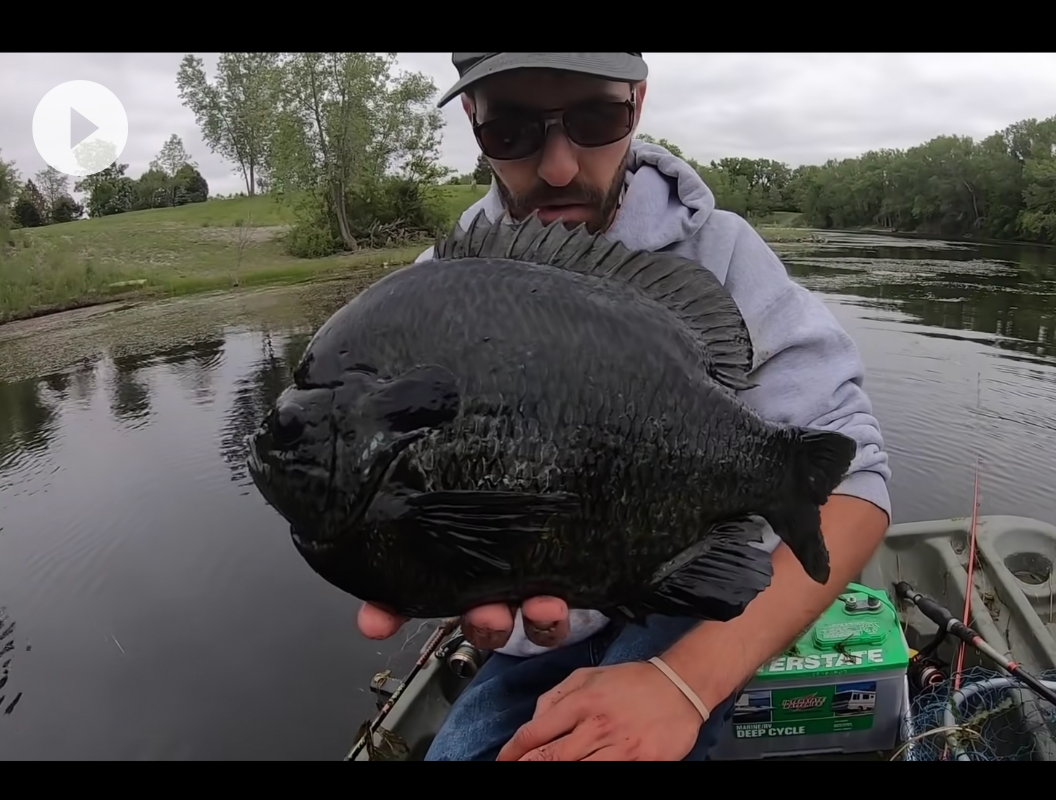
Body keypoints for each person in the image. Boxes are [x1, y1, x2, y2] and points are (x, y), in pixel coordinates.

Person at [356, 52, 892, 761]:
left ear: (637, 103)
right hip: (531, 639)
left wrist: (684, 684)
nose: (557, 167)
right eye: (511, 130)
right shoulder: (435, 294)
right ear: (472, 119)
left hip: (694, 609)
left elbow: (854, 482)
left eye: (594, 118)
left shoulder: (721, 253)